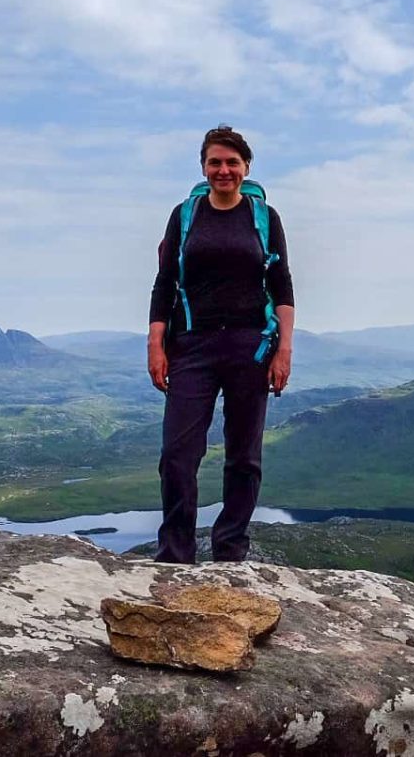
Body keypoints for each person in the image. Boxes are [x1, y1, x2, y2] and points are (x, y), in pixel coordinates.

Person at [147, 125, 295, 563]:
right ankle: (175, 554)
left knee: (244, 457)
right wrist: (156, 344)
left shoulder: (264, 217)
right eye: (215, 162)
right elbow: (164, 282)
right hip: (191, 345)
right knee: (177, 454)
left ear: (246, 167)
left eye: (232, 162)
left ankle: (230, 549)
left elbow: (282, 284)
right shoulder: (185, 215)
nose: (223, 170)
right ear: (203, 167)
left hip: (251, 346)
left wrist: (284, 349)